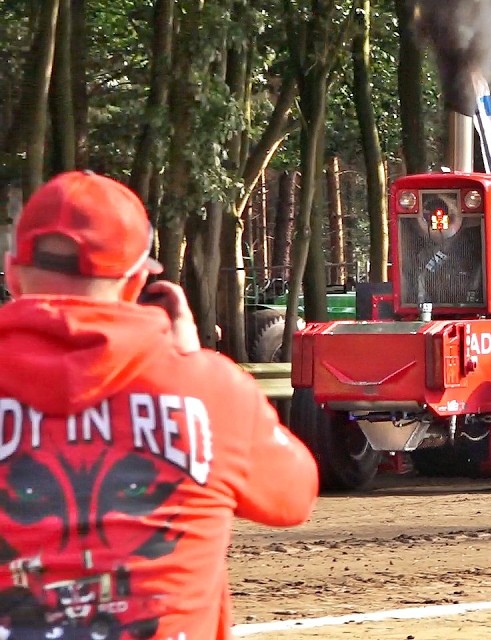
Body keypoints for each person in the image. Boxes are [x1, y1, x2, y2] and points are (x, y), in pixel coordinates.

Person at [0, 171, 319, 640]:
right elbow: (294, 498)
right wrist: (193, 361)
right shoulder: (213, 390)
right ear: (135, 283)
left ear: (12, 272)